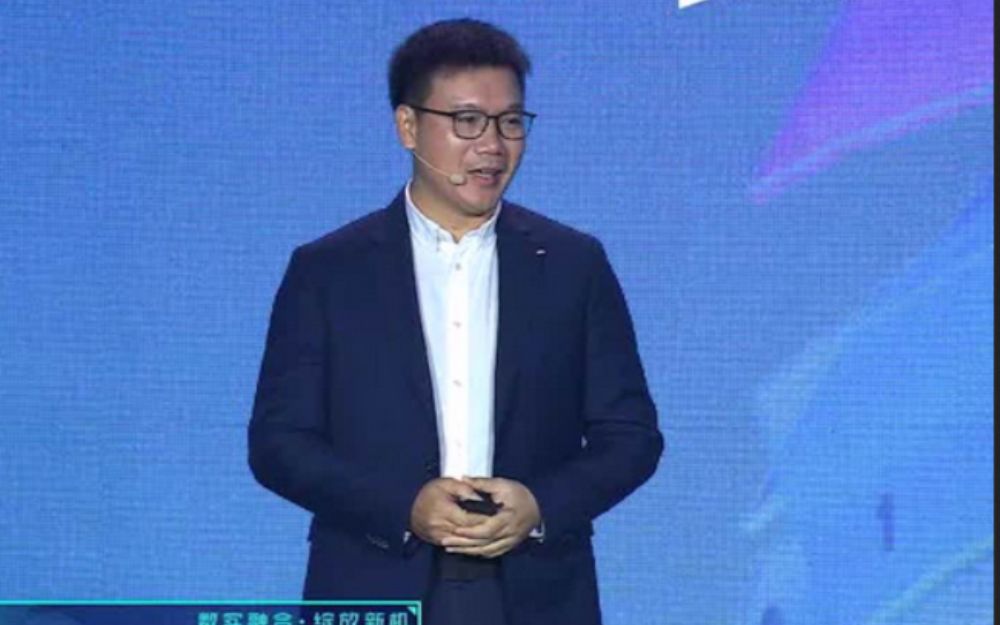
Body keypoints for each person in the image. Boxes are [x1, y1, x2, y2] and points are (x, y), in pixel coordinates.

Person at [249, 18, 663, 625]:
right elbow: (279, 444)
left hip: (538, 594)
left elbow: (631, 436)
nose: (492, 146)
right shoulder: (328, 271)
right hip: (374, 585)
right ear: (408, 126)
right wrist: (403, 507)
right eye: (467, 121)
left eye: (510, 122)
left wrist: (540, 505)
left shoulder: (573, 264)